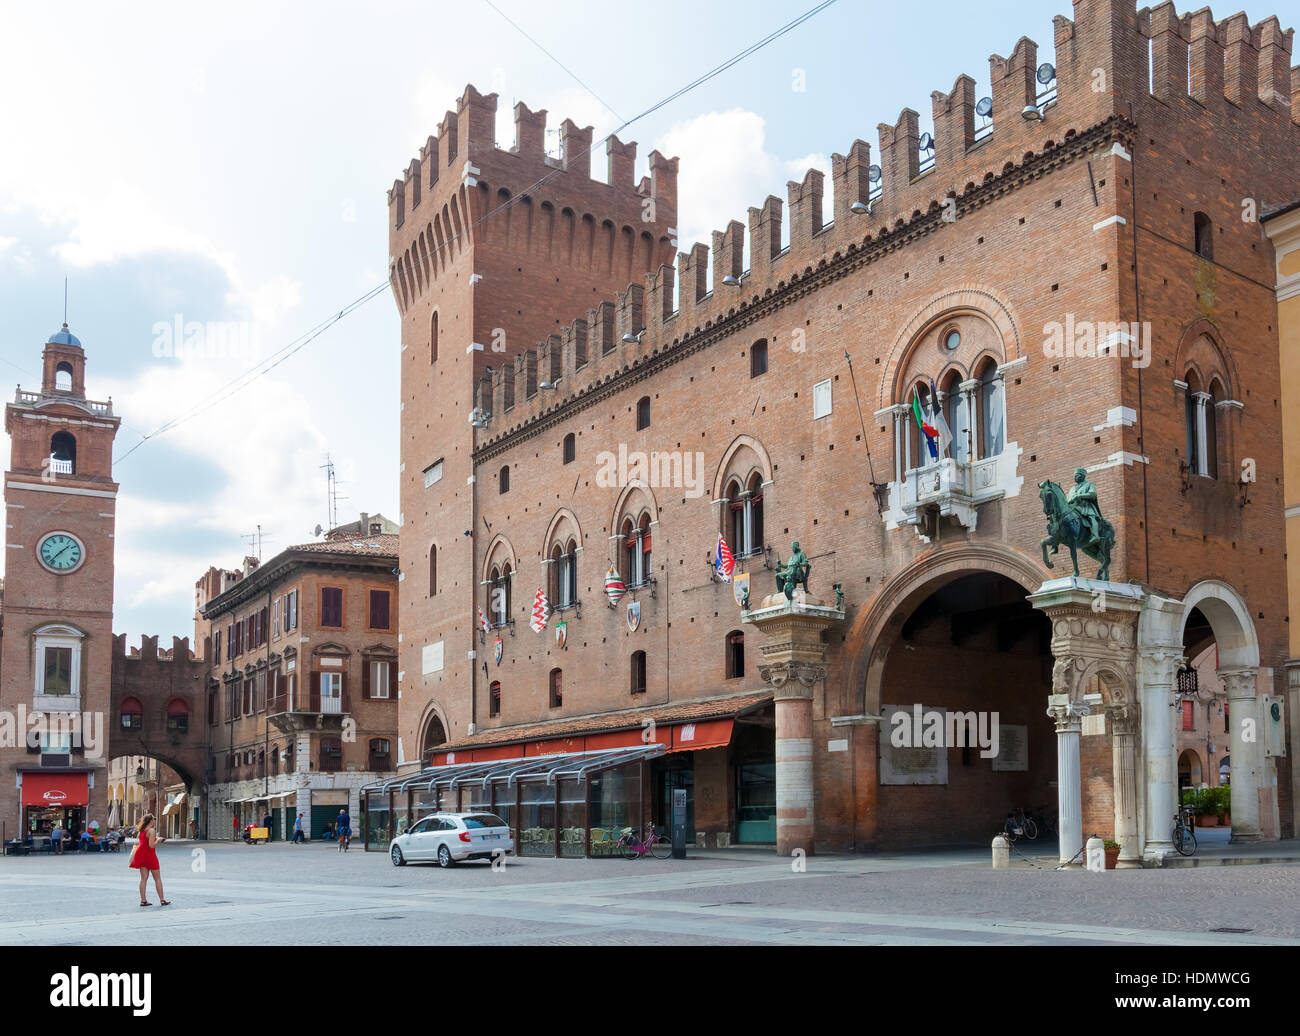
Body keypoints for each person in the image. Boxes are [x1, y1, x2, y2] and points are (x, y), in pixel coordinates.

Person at [129, 813, 169, 907]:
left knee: (143, 879)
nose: (155, 821)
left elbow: (143, 842)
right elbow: (151, 845)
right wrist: (158, 840)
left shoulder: (141, 830)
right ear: (150, 820)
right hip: (150, 856)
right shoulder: (151, 830)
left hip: (141, 854)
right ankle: (162, 900)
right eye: (154, 819)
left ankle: (143, 900)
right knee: (157, 878)